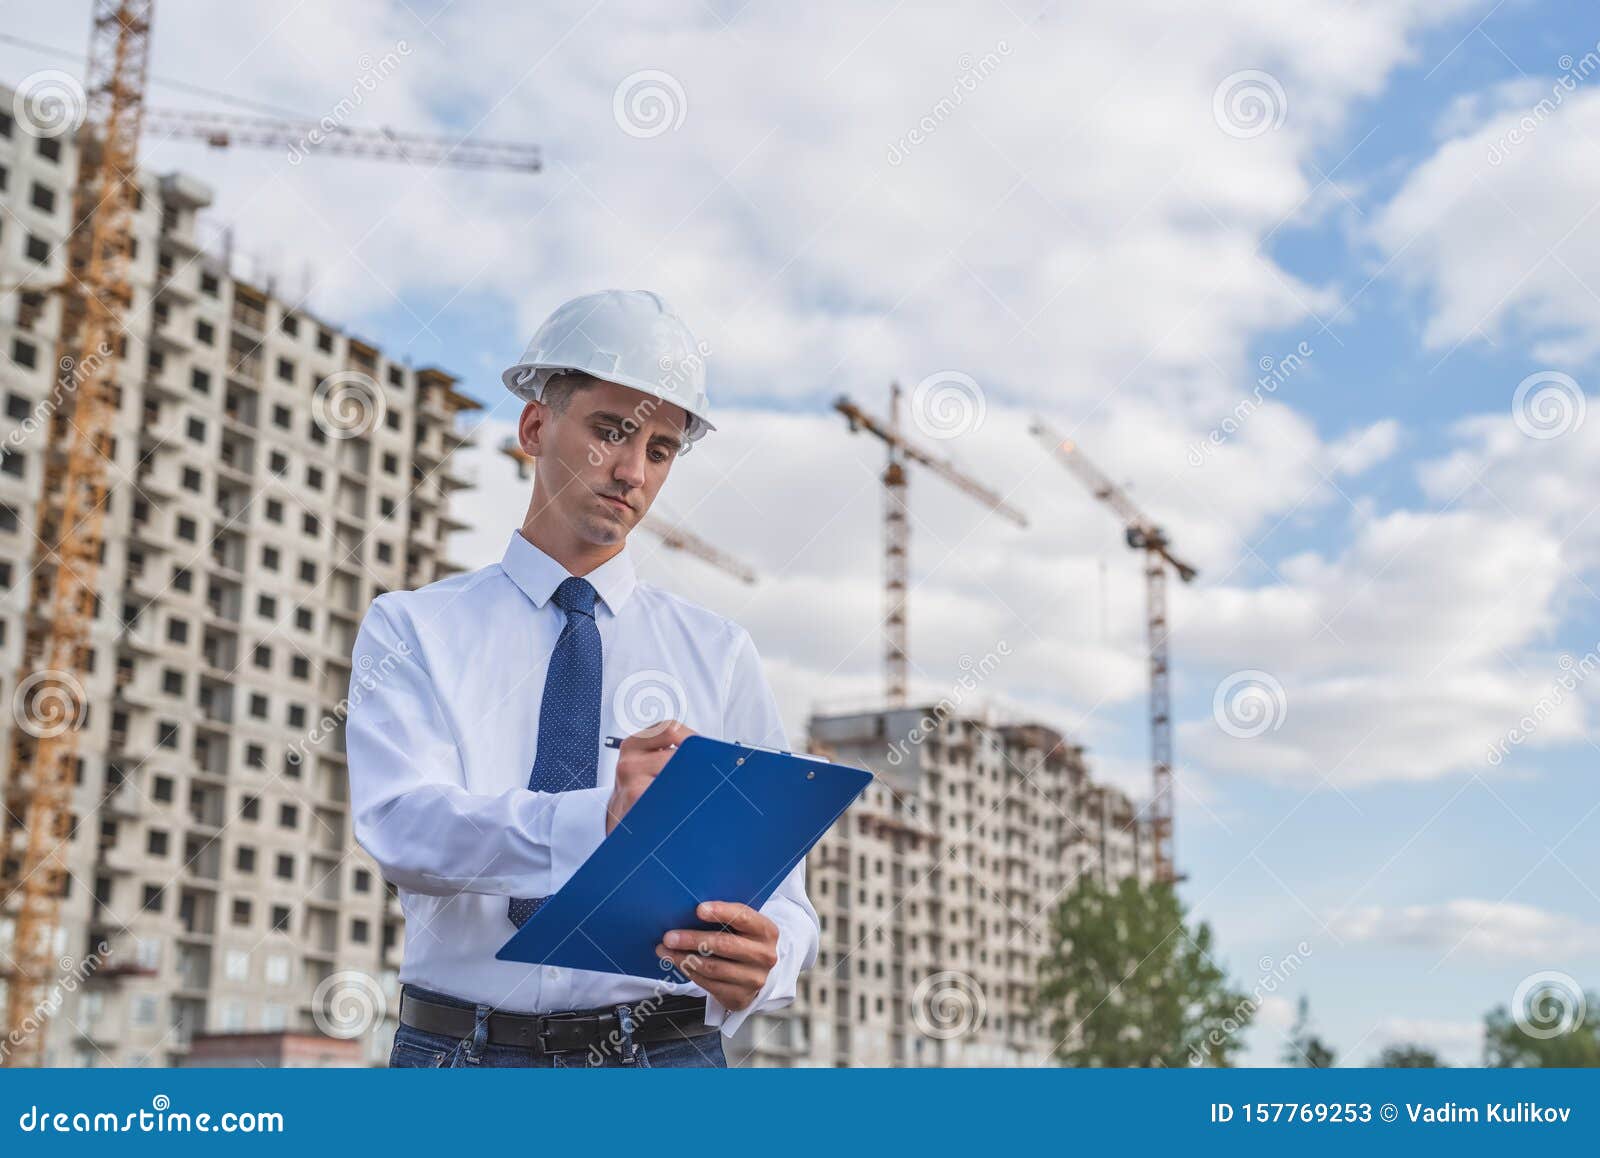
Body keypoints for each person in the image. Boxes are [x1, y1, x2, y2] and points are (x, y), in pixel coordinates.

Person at [346, 290, 817, 1068]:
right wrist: (599, 822)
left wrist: (770, 964)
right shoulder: (413, 628)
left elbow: (785, 897)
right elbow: (401, 827)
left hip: (667, 1061)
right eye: (610, 432)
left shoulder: (720, 652)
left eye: (661, 449)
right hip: (465, 1059)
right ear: (535, 426)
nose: (632, 471)